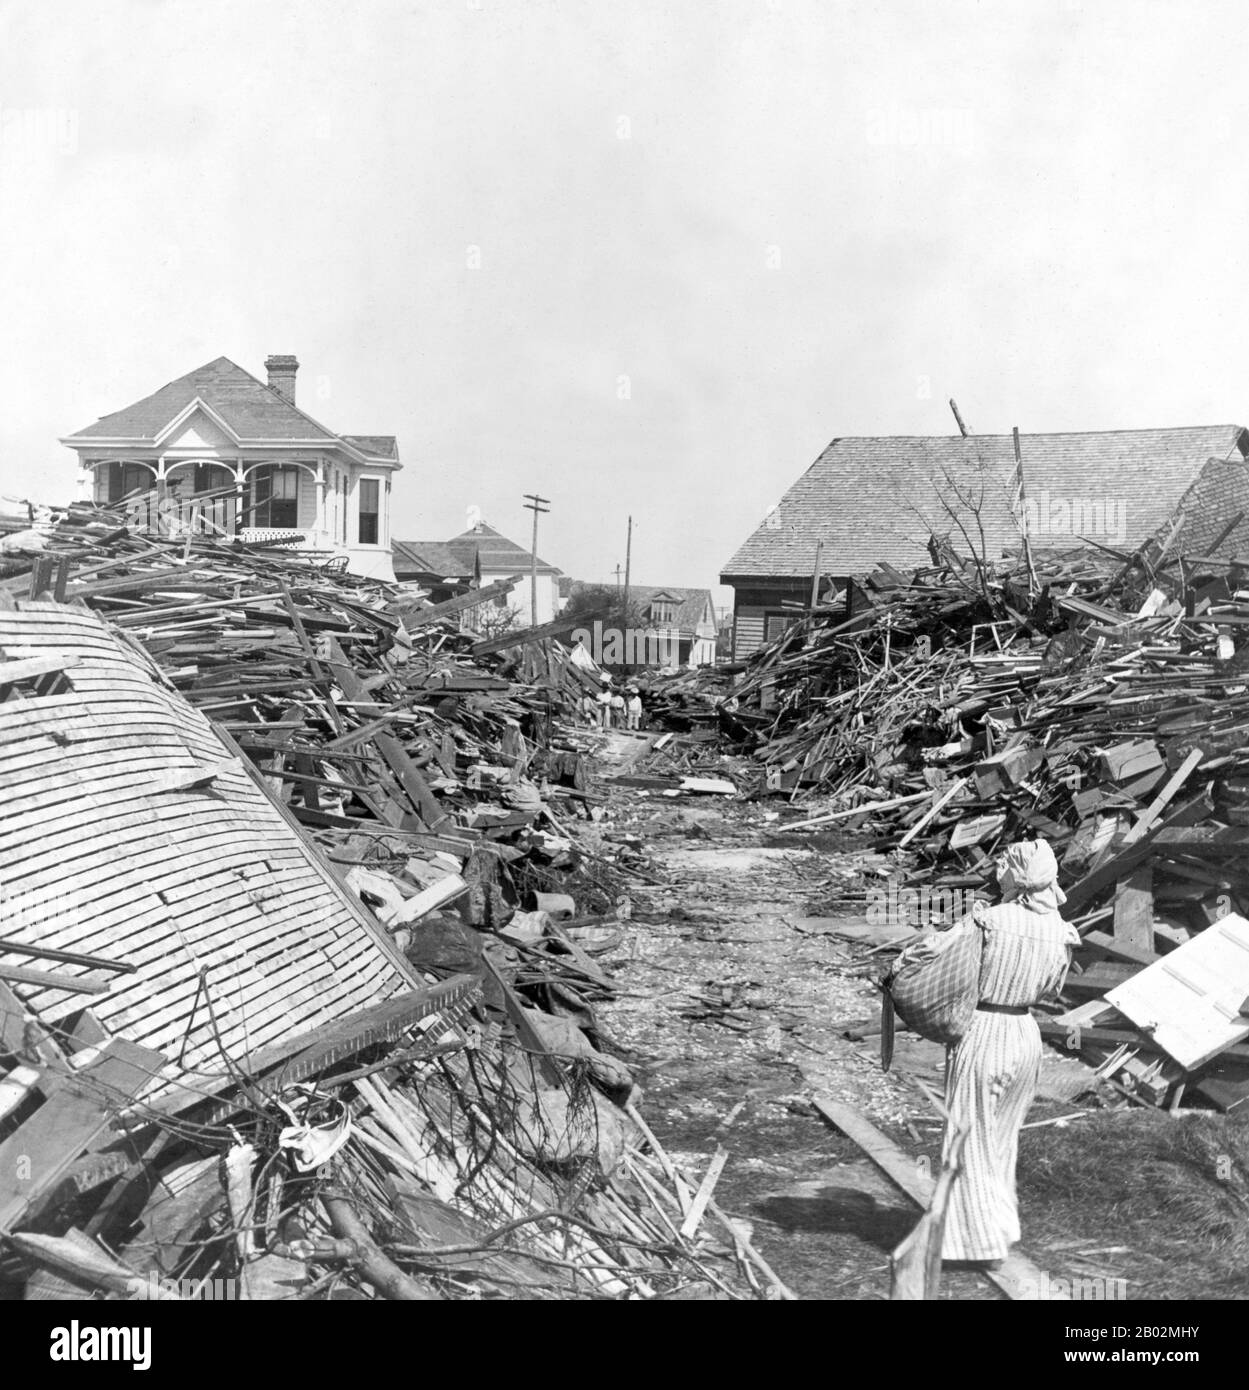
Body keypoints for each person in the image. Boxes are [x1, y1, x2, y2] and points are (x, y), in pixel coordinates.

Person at [940, 838, 1078, 1266]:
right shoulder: (1061, 930)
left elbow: (947, 966)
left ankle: (972, 1244)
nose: (998, 867)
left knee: (967, 1135)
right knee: (1001, 1138)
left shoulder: (989, 921)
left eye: (1004, 863)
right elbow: (1054, 988)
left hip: (986, 1029)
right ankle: (998, 1227)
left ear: (1015, 873)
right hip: (1025, 1032)